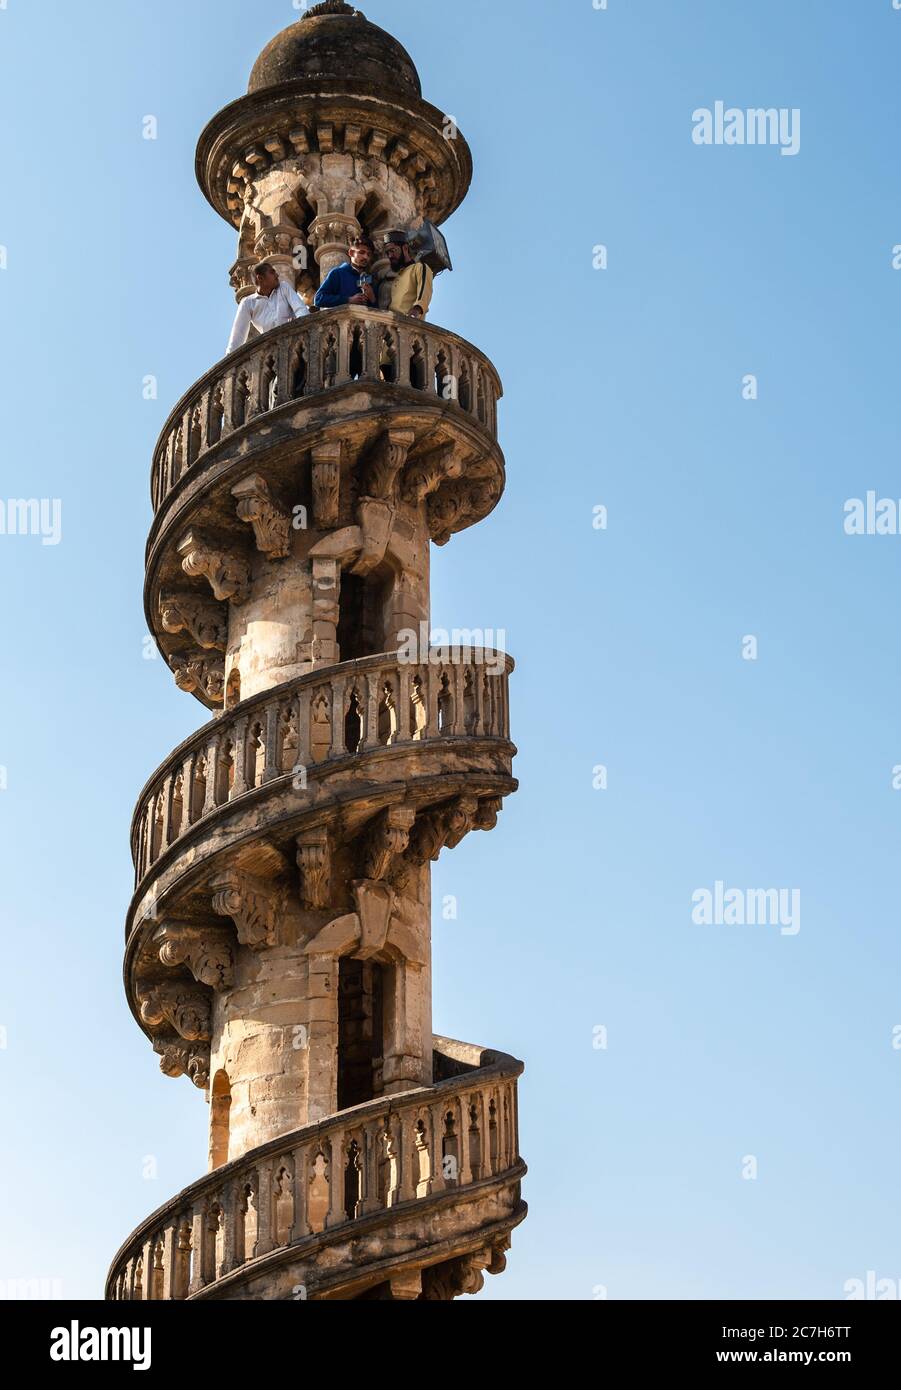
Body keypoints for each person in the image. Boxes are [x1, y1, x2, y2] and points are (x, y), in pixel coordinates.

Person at [226, 261, 308, 354]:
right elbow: (238, 335)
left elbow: (300, 309)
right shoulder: (248, 303)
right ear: (260, 278)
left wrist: (300, 323)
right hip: (272, 351)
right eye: (272, 272)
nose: (277, 275)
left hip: (295, 341)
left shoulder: (284, 287)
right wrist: (229, 358)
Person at [314, 236, 378, 309]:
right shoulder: (338, 273)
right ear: (351, 253)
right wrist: (348, 300)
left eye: (368, 254)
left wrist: (372, 298)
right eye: (361, 252)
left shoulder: (371, 279)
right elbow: (318, 299)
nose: (366, 257)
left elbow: (378, 310)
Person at [383, 230, 433, 320]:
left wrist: (416, 310)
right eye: (387, 253)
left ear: (405, 248)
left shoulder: (419, 267)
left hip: (408, 325)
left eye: (393, 250)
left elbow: (425, 293)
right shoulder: (397, 276)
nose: (390, 255)